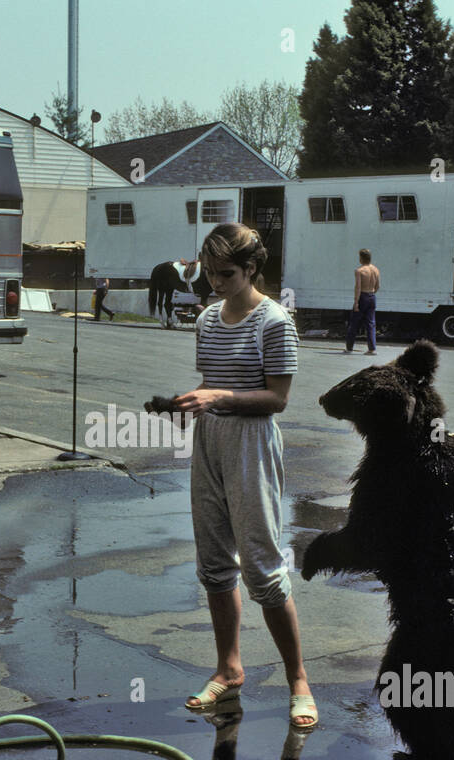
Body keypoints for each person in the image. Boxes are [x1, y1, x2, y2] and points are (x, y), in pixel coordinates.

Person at [174, 223, 316, 729]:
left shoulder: (273, 322)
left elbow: (276, 399)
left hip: (252, 444)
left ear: (253, 269)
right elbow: (213, 384)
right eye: (209, 273)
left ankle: (298, 678)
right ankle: (229, 668)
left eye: (226, 273)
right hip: (210, 440)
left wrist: (218, 398)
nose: (215, 282)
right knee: (213, 561)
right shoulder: (208, 319)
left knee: (261, 564)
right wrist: (192, 401)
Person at [348, 248, 380, 355]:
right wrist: (372, 293)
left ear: (361, 258)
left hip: (363, 296)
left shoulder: (359, 271)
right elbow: (377, 286)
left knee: (354, 323)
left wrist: (356, 302)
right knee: (371, 324)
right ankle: (372, 349)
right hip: (372, 296)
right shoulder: (375, 270)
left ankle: (349, 347)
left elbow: (358, 287)